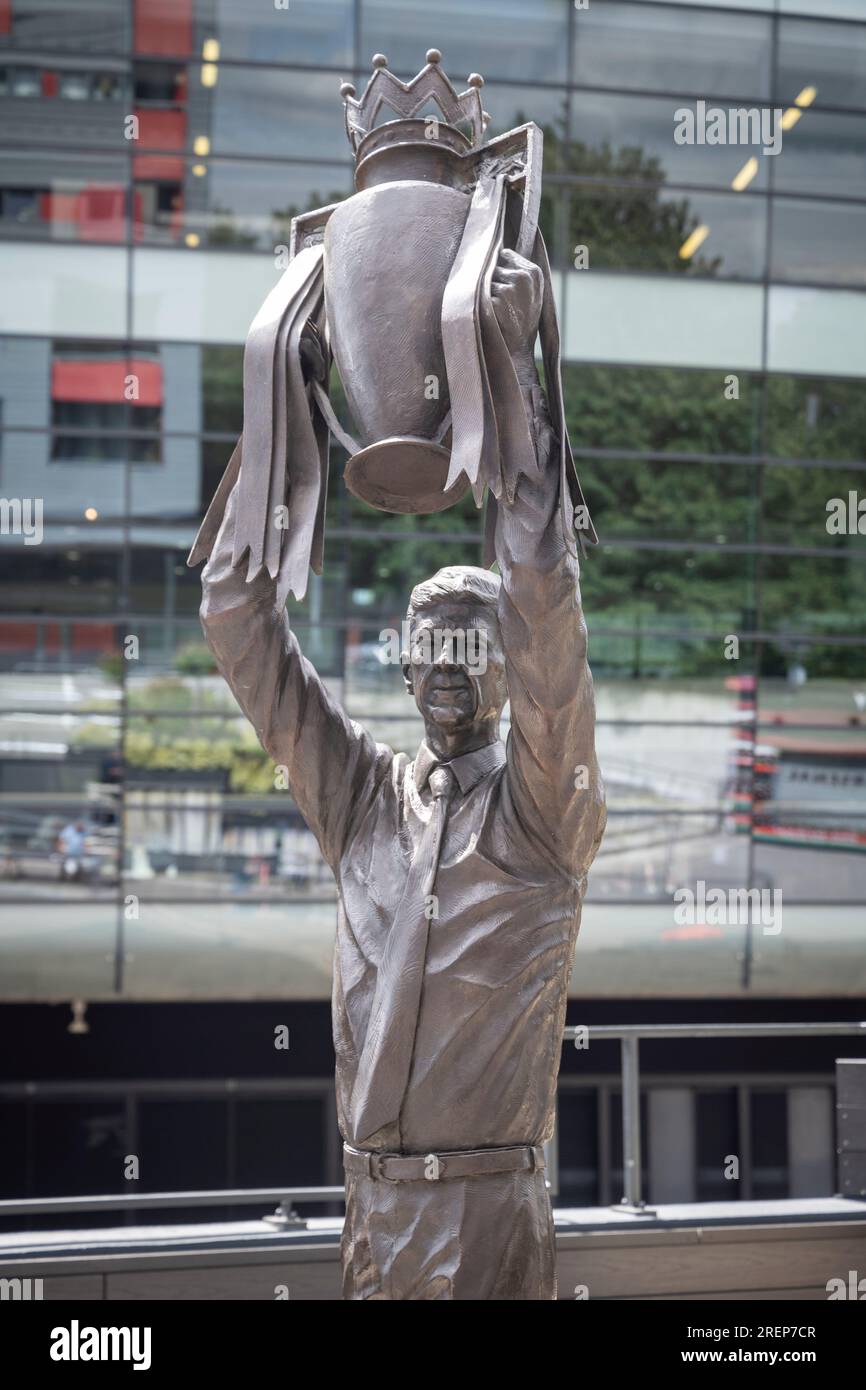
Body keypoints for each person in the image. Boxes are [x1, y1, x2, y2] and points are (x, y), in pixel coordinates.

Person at [197, 249, 605, 1300]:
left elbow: (549, 624)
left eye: (469, 645)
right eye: (425, 645)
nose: (442, 669)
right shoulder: (364, 802)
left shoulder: (541, 815)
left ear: (502, 666)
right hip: (368, 1221)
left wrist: (508, 385)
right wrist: (279, 407)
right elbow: (238, 624)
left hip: (483, 1220)